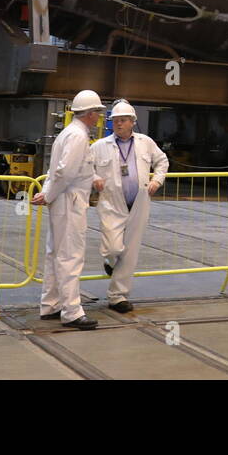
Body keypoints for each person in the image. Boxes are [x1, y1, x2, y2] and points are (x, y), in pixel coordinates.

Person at [31, 90, 104, 329]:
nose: (99, 117)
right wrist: (49, 194)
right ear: (90, 113)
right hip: (70, 201)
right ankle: (72, 311)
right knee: (70, 256)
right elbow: (65, 172)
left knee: (55, 253)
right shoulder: (78, 136)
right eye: (98, 112)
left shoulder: (69, 133)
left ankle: (51, 304)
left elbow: (59, 170)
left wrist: (47, 194)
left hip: (63, 199)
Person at [91, 100, 168, 313]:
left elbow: (162, 161)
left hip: (139, 203)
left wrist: (157, 180)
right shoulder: (99, 146)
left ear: (133, 122)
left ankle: (118, 297)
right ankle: (109, 259)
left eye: (123, 120)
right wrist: (95, 177)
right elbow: (86, 167)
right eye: (115, 120)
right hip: (111, 203)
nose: (118, 124)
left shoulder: (146, 142)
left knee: (131, 251)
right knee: (114, 247)